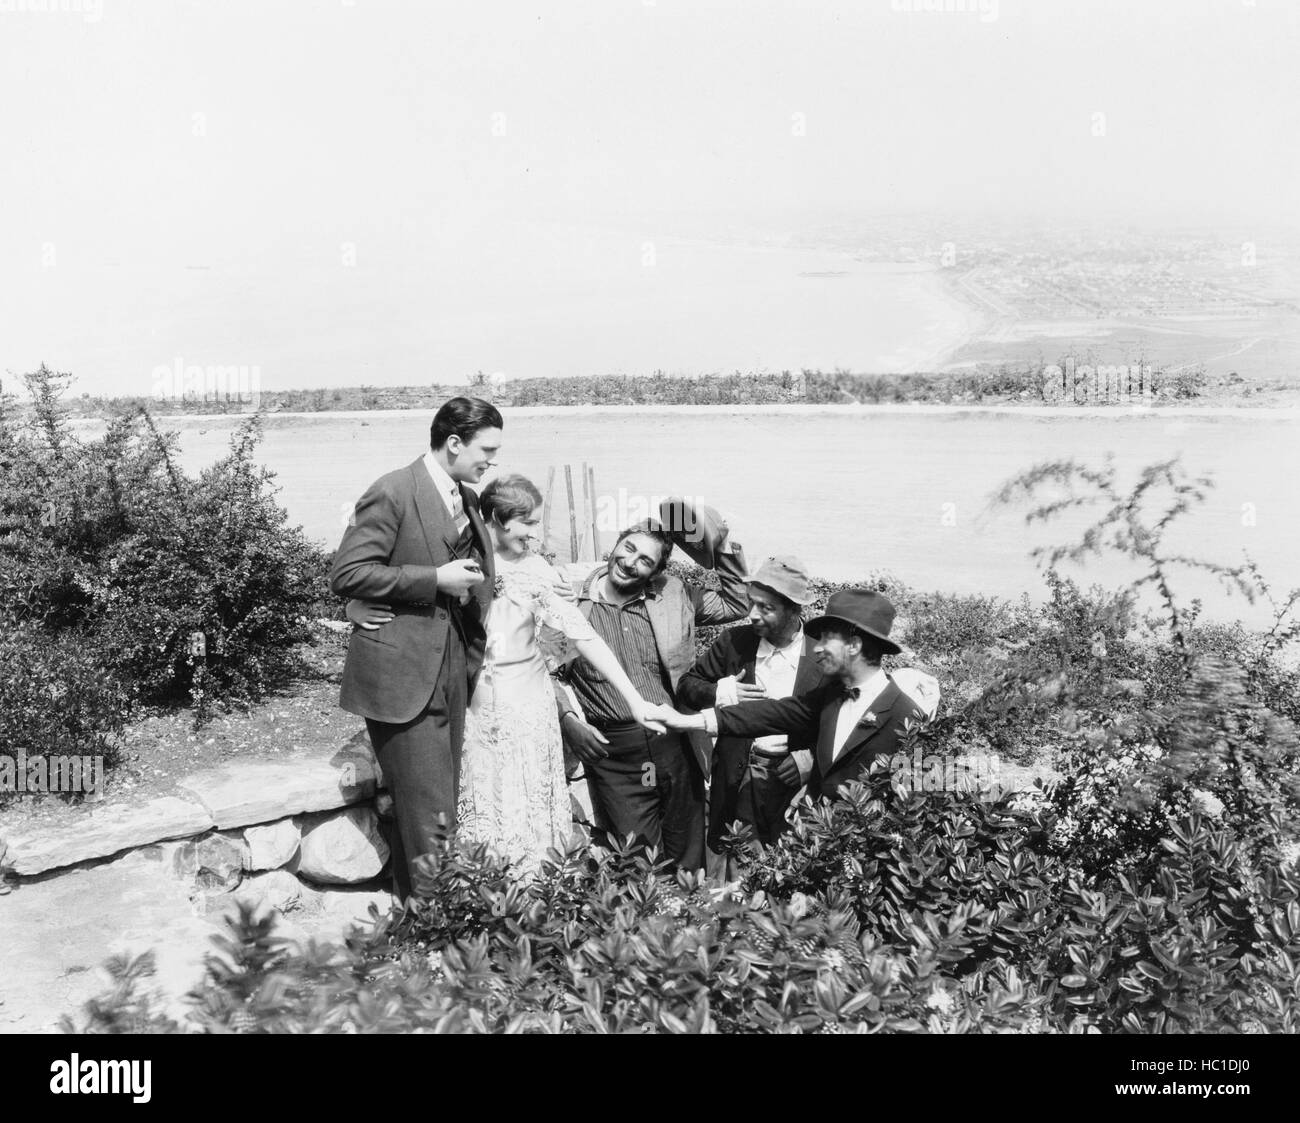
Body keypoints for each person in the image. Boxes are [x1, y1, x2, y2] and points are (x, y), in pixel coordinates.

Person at [346, 475, 666, 872]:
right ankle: (484, 901)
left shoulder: (538, 569)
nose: (536, 533)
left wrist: (635, 700)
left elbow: (583, 637)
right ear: (497, 519)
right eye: (529, 523)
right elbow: (396, 580)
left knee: (529, 808)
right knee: (483, 806)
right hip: (474, 710)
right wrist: (355, 608)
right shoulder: (462, 563)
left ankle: (534, 901)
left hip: (531, 712)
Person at [329, 396, 500, 901]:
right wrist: (434, 579)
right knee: (431, 813)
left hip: (452, 667)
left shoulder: (465, 498)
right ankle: (441, 939)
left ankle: (416, 920)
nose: (492, 460)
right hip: (402, 678)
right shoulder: (394, 490)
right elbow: (348, 572)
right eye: (487, 449)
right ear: (453, 443)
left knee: (435, 804)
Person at [556, 507, 749, 873]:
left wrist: (720, 544)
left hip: (674, 742)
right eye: (627, 548)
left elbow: (736, 602)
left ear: (657, 572)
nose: (629, 563)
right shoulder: (571, 603)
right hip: (615, 753)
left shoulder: (673, 594)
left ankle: (689, 925)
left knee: (687, 854)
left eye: (644, 560)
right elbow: (545, 669)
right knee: (635, 860)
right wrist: (567, 719)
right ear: (614, 546)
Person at [656, 589, 931, 802]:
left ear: (854, 646)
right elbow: (767, 714)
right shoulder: (830, 697)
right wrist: (687, 722)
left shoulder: (906, 717)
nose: (817, 648)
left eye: (826, 640)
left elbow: (909, 802)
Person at [677, 556, 831, 854]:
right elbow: (688, 687)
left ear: (794, 610)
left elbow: (839, 722)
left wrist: (811, 759)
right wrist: (721, 692)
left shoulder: (822, 656)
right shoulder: (734, 642)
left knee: (790, 861)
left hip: (792, 782)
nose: (753, 614)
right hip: (739, 776)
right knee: (739, 860)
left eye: (766, 608)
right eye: (751, 603)